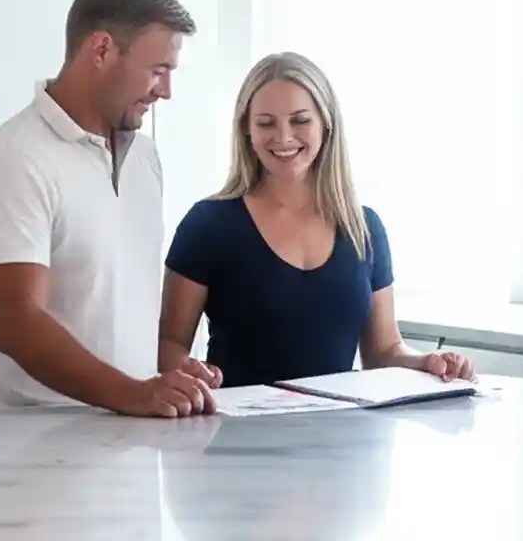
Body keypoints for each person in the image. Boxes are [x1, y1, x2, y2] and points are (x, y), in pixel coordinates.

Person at [0, 0, 219, 418]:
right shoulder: (14, 159)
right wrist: (135, 395)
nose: (167, 92)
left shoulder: (145, 159)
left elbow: (110, 303)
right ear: (101, 49)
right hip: (26, 447)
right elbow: (17, 323)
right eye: (158, 71)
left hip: (122, 439)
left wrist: (169, 371)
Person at [158, 52, 475, 387]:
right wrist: (189, 370)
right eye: (266, 123)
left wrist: (426, 361)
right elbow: (169, 346)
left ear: (326, 124)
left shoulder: (364, 228)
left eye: (300, 120)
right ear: (246, 131)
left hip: (342, 433)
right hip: (239, 432)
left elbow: (383, 351)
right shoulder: (208, 225)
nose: (283, 137)